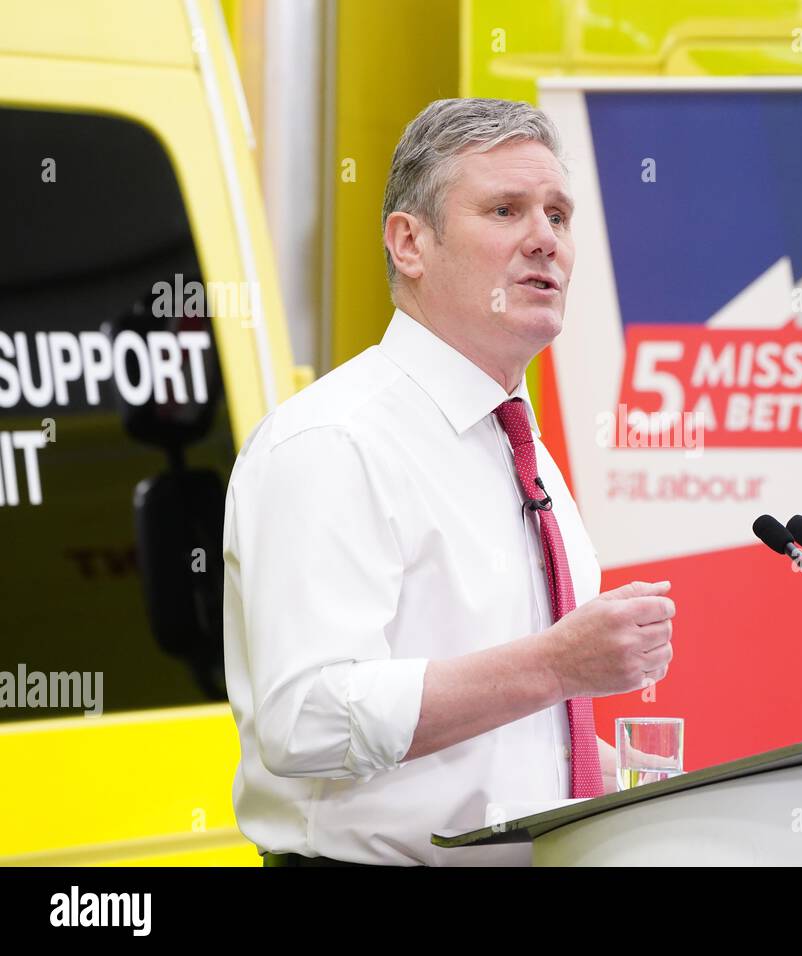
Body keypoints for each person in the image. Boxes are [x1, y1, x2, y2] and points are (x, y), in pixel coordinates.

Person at [222, 98, 675, 866]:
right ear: (410, 242)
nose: (545, 240)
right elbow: (305, 719)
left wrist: (640, 789)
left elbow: (501, 738)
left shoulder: (515, 443)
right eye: (506, 209)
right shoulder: (336, 440)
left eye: (559, 216)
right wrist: (557, 664)